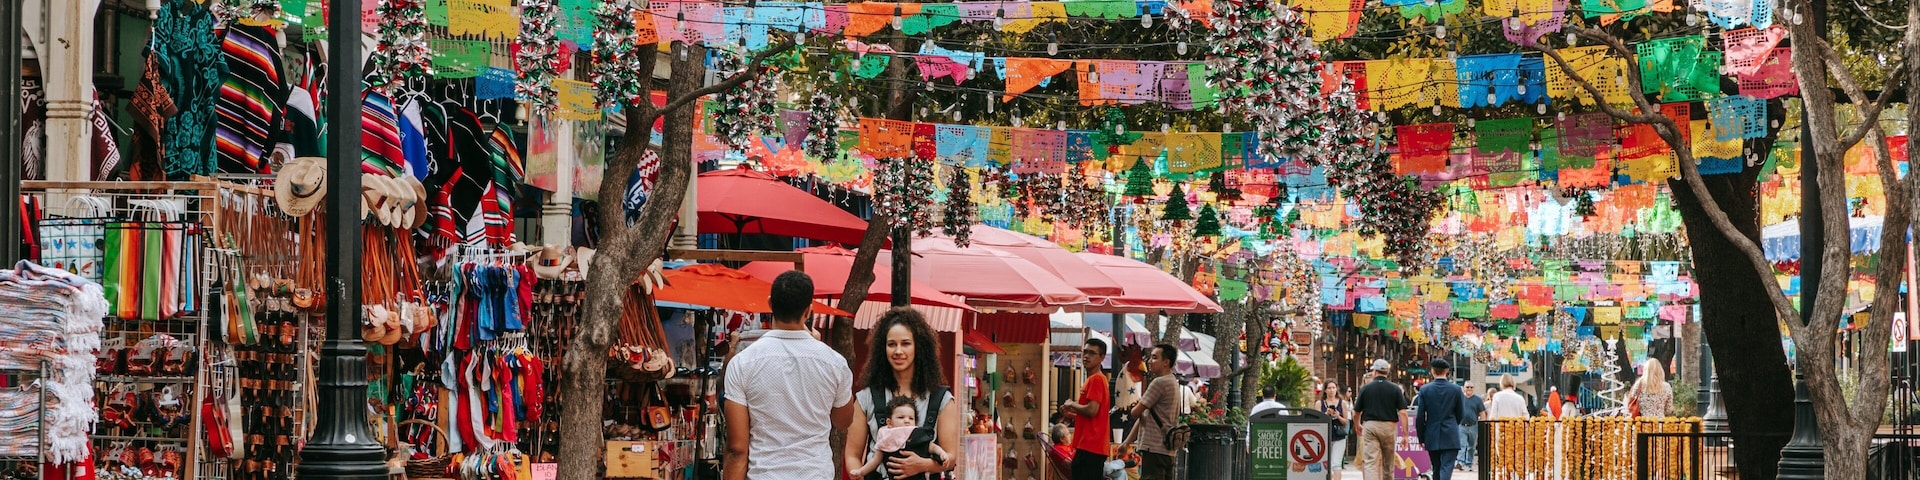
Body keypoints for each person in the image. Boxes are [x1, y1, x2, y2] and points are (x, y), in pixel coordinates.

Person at [723, 271, 857, 480]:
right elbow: (843, 421)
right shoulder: (834, 363)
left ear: (770, 304)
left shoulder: (742, 363)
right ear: (808, 311)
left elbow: (736, 449)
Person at [844, 308, 960, 480]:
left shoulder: (942, 399)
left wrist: (922, 465)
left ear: (918, 347)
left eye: (905, 343)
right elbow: (852, 454)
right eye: (891, 344)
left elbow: (950, 457)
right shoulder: (866, 398)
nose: (898, 351)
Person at [852, 397, 951, 480]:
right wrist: (861, 471)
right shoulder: (886, 436)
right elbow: (875, 460)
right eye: (901, 417)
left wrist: (942, 453)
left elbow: (931, 447)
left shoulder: (917, 434)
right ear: (889, 422)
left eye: (911, 418)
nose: (907, 421)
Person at [1124, 344, 1182, 480]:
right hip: (1167, 450)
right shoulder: (1172, 381)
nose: (1149, 361)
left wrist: (1134, 405)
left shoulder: (1159, 383)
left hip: (1154, 448)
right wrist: (1126, 443)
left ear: (1166, 362)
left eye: (1155, 358)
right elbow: (1146, 416)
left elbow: (1135, 413)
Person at [1059, 338, 1112, 480]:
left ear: (1102, 358)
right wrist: (1071, 414)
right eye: (1085, 352)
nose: (1087, 356)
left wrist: (1072, 404)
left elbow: (1092, 410)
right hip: (1089, 445)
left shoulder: (1097, 379)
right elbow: (1092, 415)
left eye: (1092, 353)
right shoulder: (1093, 379)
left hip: (1091, 445)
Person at [1352, 359, 1408, 480]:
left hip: (1370, 425)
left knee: (1371, 462)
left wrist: (1357, 425)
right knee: (1388, 462)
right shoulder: (1395, 389)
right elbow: (1403, 413)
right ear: (1387, 372)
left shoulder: (1366, 388)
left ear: (1375, 371)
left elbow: (1356, 412)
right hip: (1389, 426)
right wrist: (1405, 434)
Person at [1414, 359, 1465, 480]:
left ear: (1432, 371)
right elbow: (1461, 413)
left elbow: (1420, 416)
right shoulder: (1456, 390)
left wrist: (1421, 436)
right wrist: (1453, 423)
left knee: (1436, 467)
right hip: (1450, 433)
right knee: (1447, 467)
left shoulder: (1425, 390)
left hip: (1432, 433)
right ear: (1447, 371)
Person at [1316, 382, 1353, 470]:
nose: (1331, 390)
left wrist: (1338, 416)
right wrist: (1326, 414)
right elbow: (1317, 422)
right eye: (1329, 388)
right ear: (1325, 390)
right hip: (1324, 436)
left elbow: (1345, 422)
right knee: (1325, 464)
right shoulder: (1319, 403)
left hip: (1339, 436)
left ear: (1336, 389)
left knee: (1336, 464)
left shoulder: (1342, 403)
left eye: (1333, 388)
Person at [1458, 383, 1486, 471]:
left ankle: (1468, 464)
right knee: (1462, 445)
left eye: (1471, 387)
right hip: (1461, 425)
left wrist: (1482, 424)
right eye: (1467, 387)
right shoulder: (1460, 398)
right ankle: (1460, 462)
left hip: (1473, 426)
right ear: (1464, 388)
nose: (1469, 388)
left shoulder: (1478, 399)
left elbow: (1482, 413)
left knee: (1471, 446)